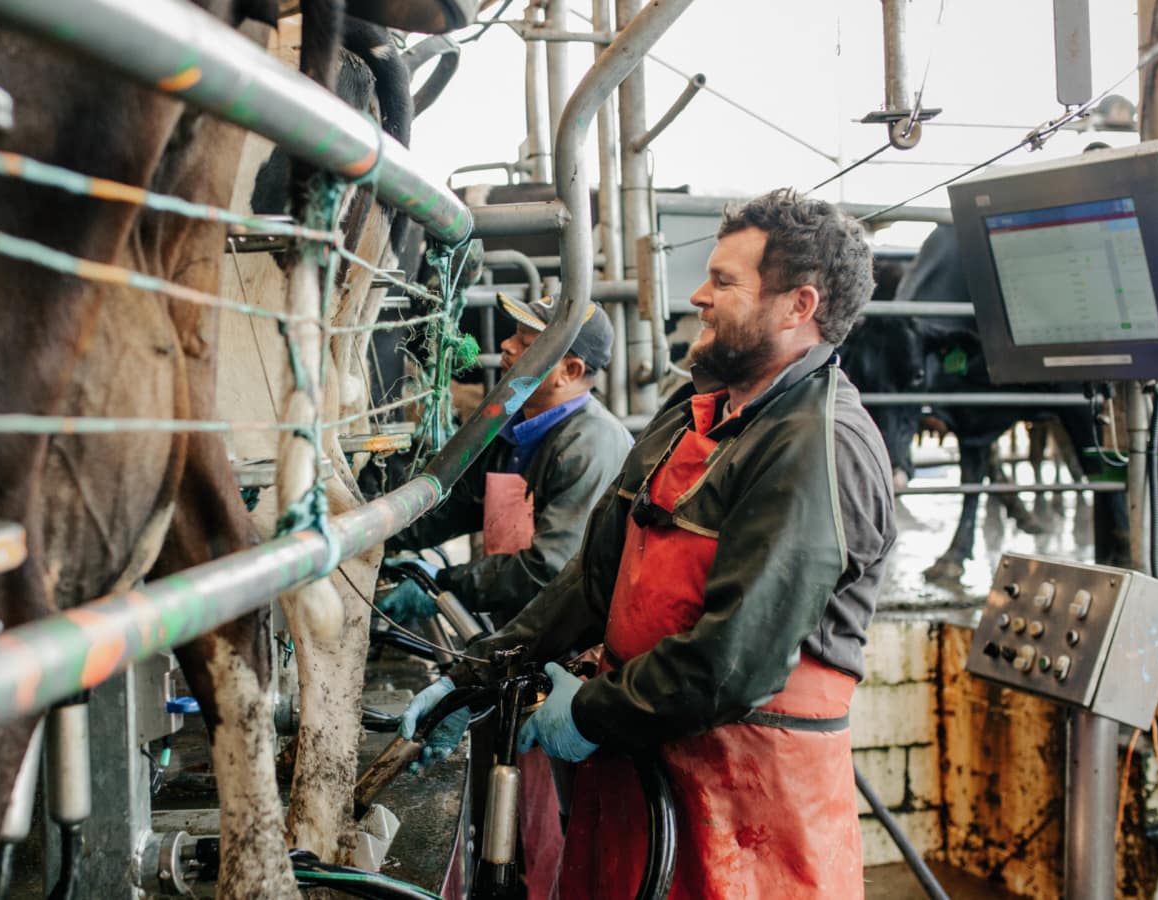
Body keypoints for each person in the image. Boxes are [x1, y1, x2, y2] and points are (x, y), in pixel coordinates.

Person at [401, 188, 898, 899]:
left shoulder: (815, 448)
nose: (698, 294)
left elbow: (730, 665)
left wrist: (587, 713)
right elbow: (593, 576)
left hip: (752, 801)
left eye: (724, 281)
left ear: (800, 307)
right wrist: (476, 671)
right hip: (646, 771)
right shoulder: (691, 411)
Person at [378, 295, 631, 628]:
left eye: (525, 343)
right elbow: (457, 505)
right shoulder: (510, 428)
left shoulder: (589, 446)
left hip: (574, 642)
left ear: (569, 371)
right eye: (514, 335)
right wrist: (375, 535)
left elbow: (548, 568)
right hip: (521, 624)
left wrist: (443, 583)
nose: (505, 346)